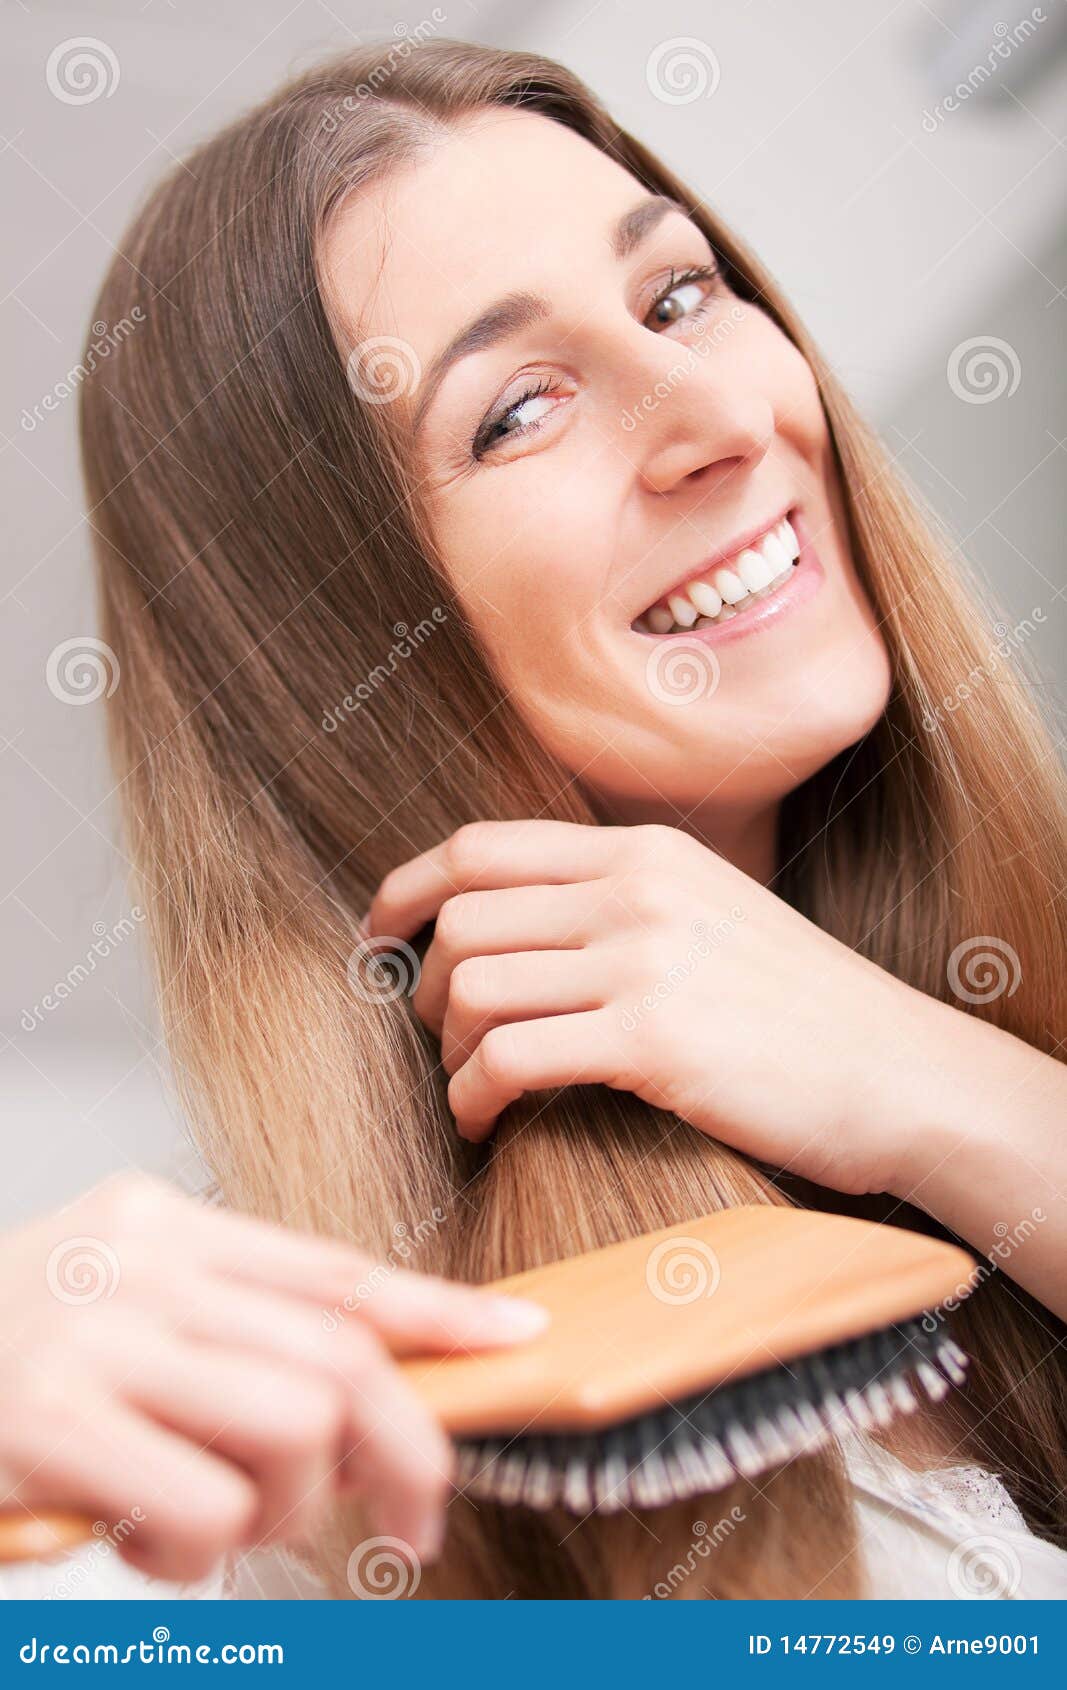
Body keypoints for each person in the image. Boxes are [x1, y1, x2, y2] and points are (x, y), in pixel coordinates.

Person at [13, 37, 1064, 1599]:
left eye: (678, 296)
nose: (718, 416)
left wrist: (932, 1079)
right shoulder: (310, 1475)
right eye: (516, 412)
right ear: (333, 660)